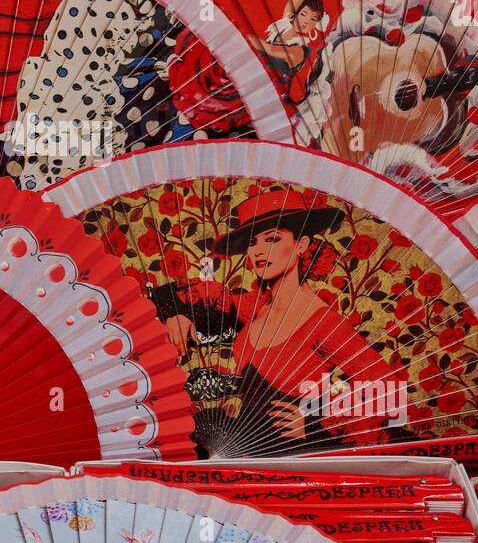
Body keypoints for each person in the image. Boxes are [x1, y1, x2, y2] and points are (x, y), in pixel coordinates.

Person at [161, 189, 406, 451]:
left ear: (301, 244)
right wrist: (180, 315)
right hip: (244, 443)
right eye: (252, 243)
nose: (258, 252)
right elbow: (209, 302)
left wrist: (315, 421)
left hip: (292, 450)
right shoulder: (253, 307)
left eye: (273, 239)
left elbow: (388, 387)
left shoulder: (322, 321)